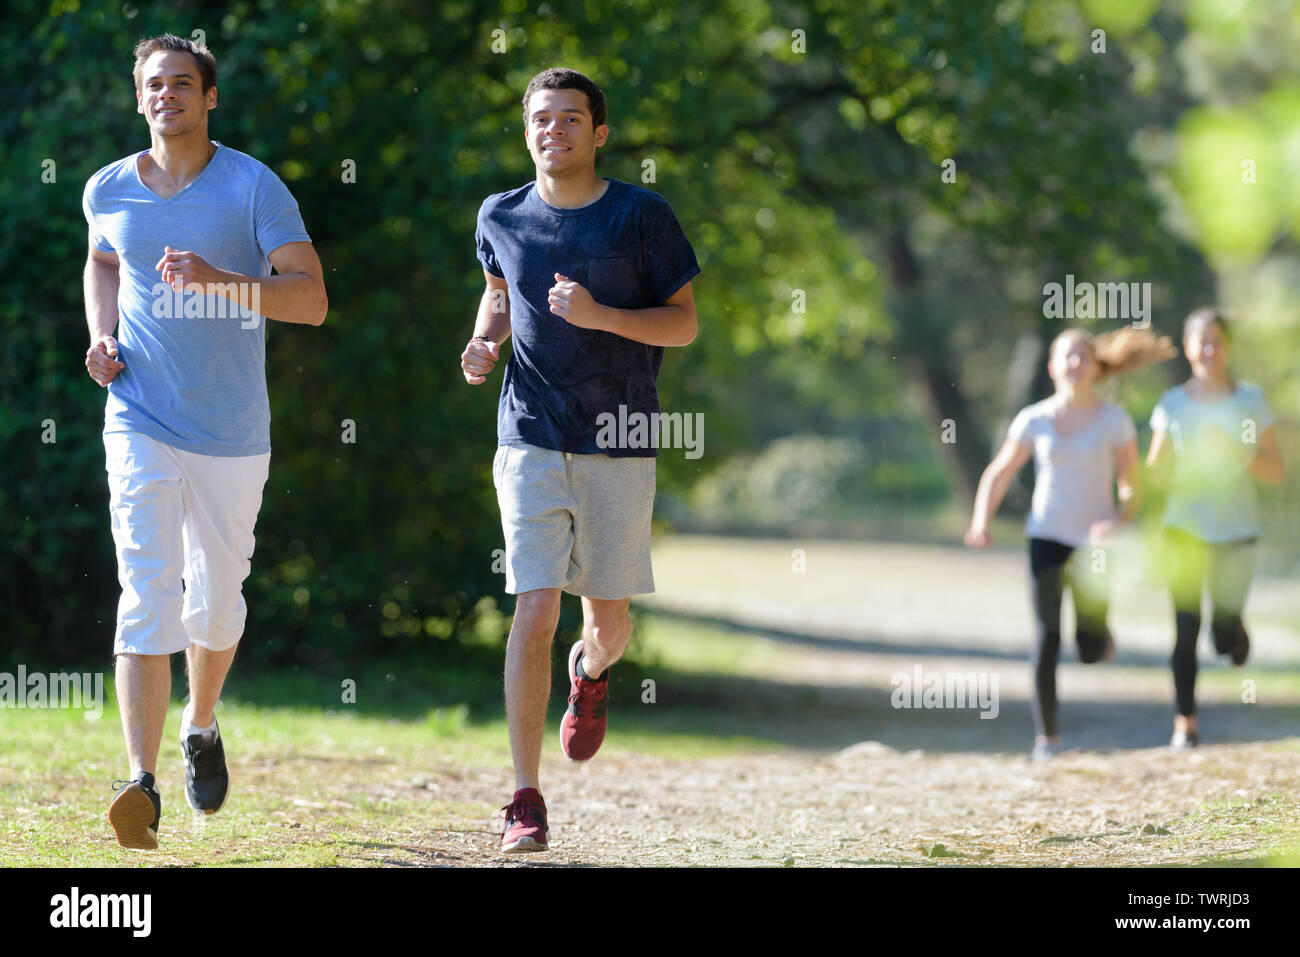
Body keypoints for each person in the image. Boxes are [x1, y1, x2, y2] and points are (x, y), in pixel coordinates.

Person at [83, 34, 327, 849]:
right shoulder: (108, 188)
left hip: (230, 432)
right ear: (139, 95)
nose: (167, 96)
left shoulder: (253, 186)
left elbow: (311, 300)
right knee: (147, 587)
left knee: (216, 603)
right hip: (140, 414)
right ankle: (140, 783)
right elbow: (102, 260)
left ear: (208, 97)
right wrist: (103, 334)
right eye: (154, 84)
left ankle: (202, 720)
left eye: (182, 84)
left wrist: (222, 281)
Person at [462, 68, 700, 852]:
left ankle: (591, 672)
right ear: (526, 129)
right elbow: (499, 288)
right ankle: (523, 797)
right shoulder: (500, 214)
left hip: (621, 437)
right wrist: (485, 340)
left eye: (570, 119)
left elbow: (682, 326)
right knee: (534, 607)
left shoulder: (642, 216)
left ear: (598, 133)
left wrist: (601, 315)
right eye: (541, 118)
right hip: (528, 432)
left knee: (608, 620)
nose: (553, 130)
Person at [965, 327, 1174, 759]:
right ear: (1052, 367)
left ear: (1097, 367)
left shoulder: (1114, 420)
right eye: (1067, 357)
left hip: (1095, 542)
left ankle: (1101, 637)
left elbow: (1130, 483)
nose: (1075, 364)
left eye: (1083, 356)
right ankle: (1047, 738)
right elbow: (999, 472)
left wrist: (1119, 519)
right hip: (1046, 534)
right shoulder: (1034, 419)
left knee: (1091, 647)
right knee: (1046, 636)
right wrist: (980, 521)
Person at [1145, 308, 1284, 749]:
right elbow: (1156, 470)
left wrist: (1235, 451)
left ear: (1229, 348)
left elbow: (1276, 471)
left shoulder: (1249, 402)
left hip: (1236, 529)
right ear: (1187, 348)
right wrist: (1158, 472)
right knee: (1185, 630)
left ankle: (1235, 634)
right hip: (1183, 528)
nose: (1209, 351)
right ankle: (1185, 722)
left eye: (1217, 342)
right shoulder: (1172, 404)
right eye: (1201, 342)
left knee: (1222, 637)